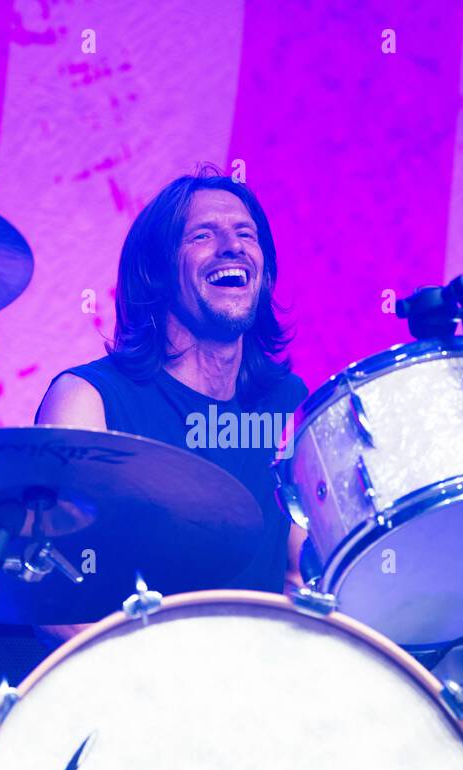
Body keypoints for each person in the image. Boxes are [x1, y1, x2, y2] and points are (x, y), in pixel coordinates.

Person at [34, 167, 308, 642]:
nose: (233, 246)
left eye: (246, 234)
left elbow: (299, 578)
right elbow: (53, 594)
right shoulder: (89, 400)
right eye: (204, 234)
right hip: (131, 696)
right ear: (156, 272)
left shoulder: (286, 405)